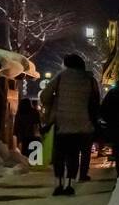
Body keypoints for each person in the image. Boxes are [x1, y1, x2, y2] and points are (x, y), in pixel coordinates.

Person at [41, 54, 100, 196]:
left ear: (66, 64)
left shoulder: (61, 76)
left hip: (61, 123)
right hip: (82, 124)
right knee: (73, 155)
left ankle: (59, 185)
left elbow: (44, 96)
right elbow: (96, 101)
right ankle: (69, 185)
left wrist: (54, 102)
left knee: (59, 156)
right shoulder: (90, 79)